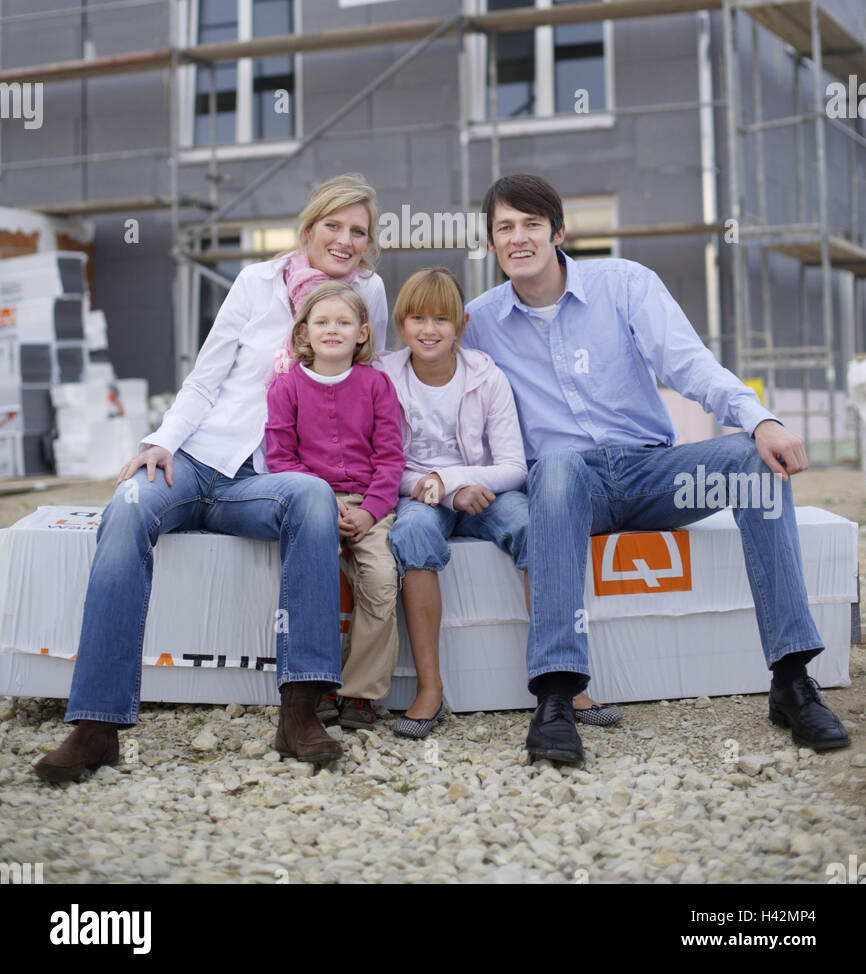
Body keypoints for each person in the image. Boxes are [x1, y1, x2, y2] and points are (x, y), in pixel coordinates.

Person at [462, 173, 850, 766]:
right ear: (491, 244)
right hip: (569, 486)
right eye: (504, 228)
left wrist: (760, 419)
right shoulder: (478, 321)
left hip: (652, 473)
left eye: (531, 225)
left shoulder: (625, 284)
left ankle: (793, 679)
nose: (518, 238)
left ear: (558, 232)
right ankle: (557, 696)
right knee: (560, 466)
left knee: (752, 459)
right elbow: (423, 374)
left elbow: (690, 366)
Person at [33, 174, 387, 780]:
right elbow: (205, 376)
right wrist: (160, 443)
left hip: (269, 475)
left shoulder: (368, 294)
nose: (345, 240)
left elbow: (360, 387)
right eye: (334, 225)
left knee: (310, 497)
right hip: (200, 458)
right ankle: (96, 725)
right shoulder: (256, 282)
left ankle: (301, 712)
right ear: (308, 229)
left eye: (359, 231)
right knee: (126, 505)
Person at [378, 267, 529, 739]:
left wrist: (456, 480)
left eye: (441, 320)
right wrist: (440, 488)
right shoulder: (383, 377)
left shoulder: (487, 377)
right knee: (412, 532)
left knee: (531, 525)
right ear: (402, 323)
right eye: (417, 318)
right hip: (420, 493)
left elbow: (514, 466)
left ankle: (562, 679)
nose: (429, 330)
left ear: (460, 324)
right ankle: (429, 688)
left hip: (482, 489)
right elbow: (382, 464)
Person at [264, 282, 404, 729]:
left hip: (369, 503)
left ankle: (360, 693)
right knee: (316, 580)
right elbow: (280, 458)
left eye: (343, 322)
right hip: (311, 503)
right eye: (322, 322)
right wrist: (323, 502)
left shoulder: (377, 384)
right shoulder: (285, 388)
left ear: (362, 333)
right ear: (304, 332)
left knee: (381, 578)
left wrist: (370, 510)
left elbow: (390, 456)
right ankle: (319, 682)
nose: (332, 330)